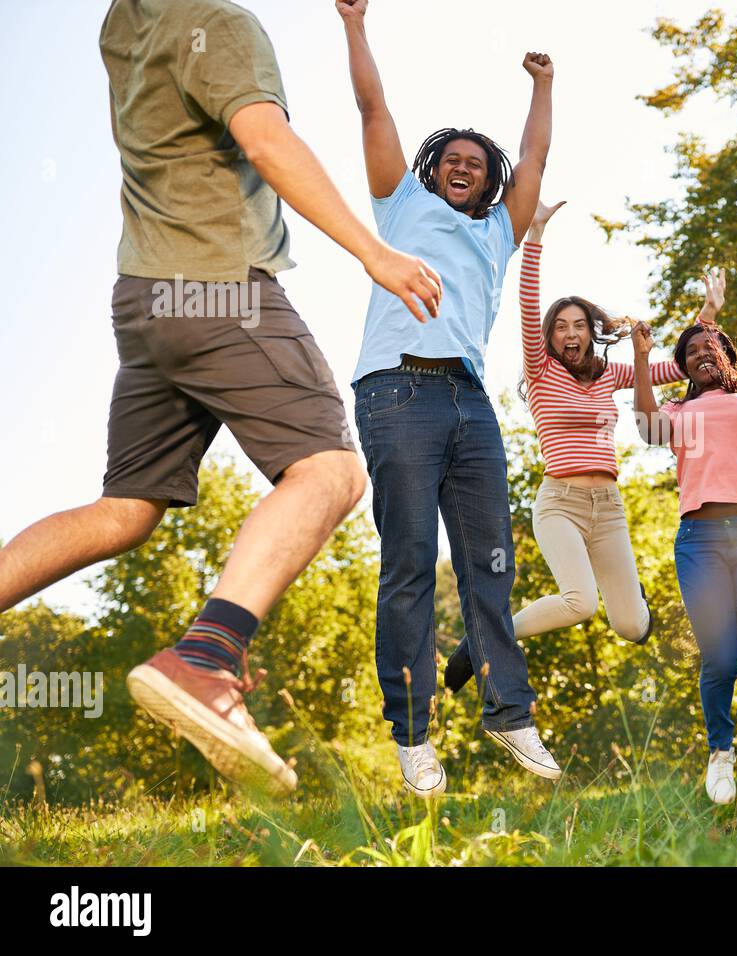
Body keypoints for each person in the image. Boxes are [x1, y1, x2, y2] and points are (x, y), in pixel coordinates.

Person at [0, 0, 444, 796]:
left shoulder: (125, 25)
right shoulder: (218, 24)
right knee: (331, 473)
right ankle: (206, 658)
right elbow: (266, 139)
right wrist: (374, 252)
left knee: (124, 511)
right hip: (219, 291)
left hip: (145, 302)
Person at [338, 0, 559, 796]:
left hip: (470, 403)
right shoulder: (401, 202)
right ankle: (413, 734)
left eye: (476, 161)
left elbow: (533, 156)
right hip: (397, 390)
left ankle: (509, 711)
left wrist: (543, 85)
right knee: (407, 565)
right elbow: (373, 107)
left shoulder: (499, 231)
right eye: (451, 158)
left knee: (490, 565)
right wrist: (355, 26)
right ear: (433, 169)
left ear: (488, 180)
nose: (463, 165)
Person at [443, 202, 723, 692]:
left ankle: (632, 598)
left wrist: (709, 316)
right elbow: (528, 305)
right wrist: (536, 233)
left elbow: (679, 367)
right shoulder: (542, 371)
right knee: (579, 602)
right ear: (550, 337)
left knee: (632, 627)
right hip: (561, 504)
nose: (569, 333)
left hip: (609, 507)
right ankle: (484, 635)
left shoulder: (608, 375)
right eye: (561, 327)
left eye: (578, 326)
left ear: (590, 334)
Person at [632, 313, 737, 805]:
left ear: (728, 356)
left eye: (711, 347)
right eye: (691, 352)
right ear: (684, 368)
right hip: (700, 540)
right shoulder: (677, 413)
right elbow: (646, 428)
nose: (702, 353)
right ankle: (721, 754)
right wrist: (642, 360)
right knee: (721, 659)